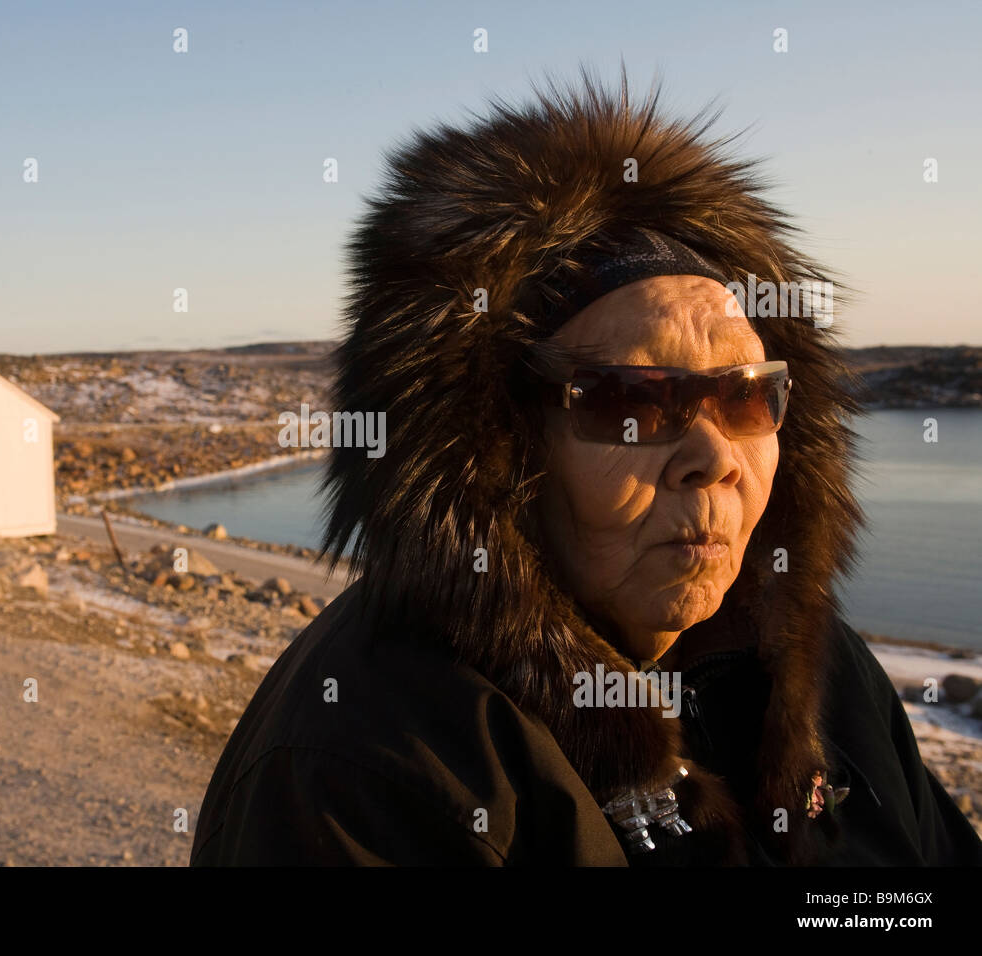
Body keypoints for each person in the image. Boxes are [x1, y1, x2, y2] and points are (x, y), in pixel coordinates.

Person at [189, 71, 982, 866]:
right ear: (501, 450)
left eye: (747, 399)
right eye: (634, 403)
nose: (713, 460)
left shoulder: (812, 674)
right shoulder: (373, 759)